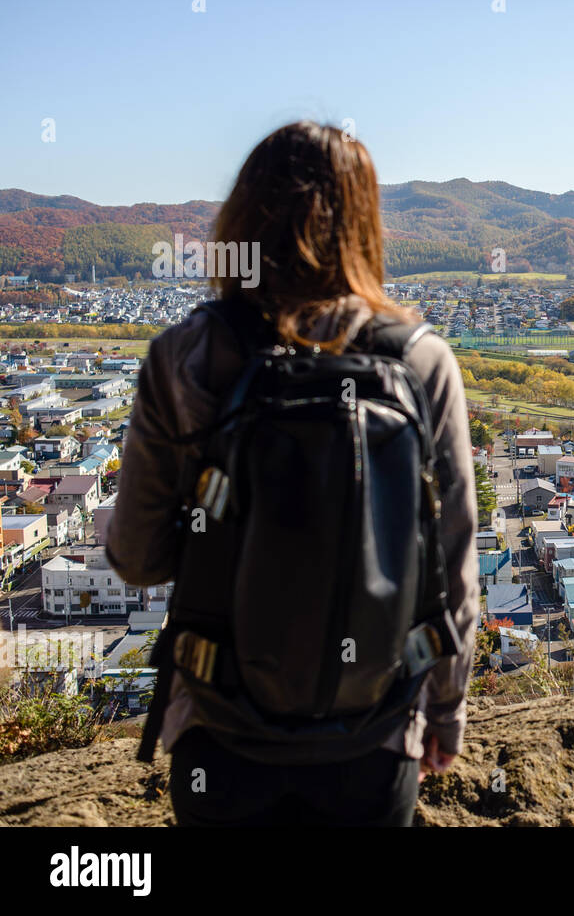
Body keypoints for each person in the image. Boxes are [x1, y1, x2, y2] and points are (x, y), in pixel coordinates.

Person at [107, 121, 478, 826]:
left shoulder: (187, 357)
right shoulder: (421, 362)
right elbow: (453, 577)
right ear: (366, 226)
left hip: (221, 730)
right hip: (374, 732)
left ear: (242, 220)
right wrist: (446, 714)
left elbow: (135, 557)